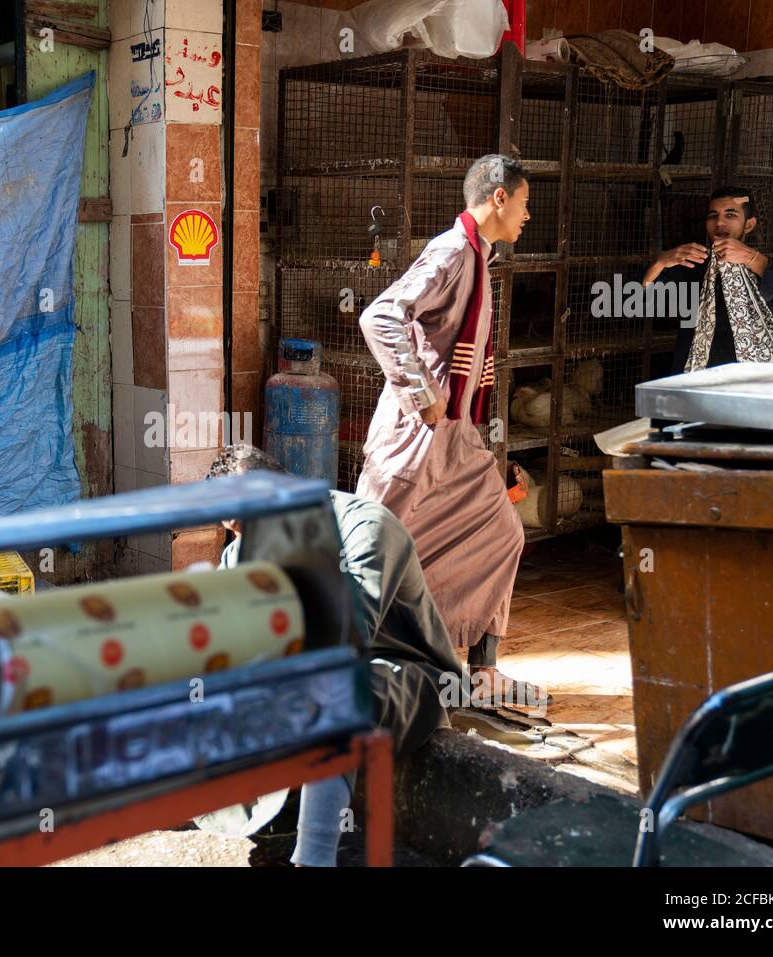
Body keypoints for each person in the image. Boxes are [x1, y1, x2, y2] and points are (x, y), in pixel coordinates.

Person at [208, 443, 475, 867]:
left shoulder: (364, 527)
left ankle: (313, 857)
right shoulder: (241, 553)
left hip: (407, 675)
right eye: (237, 530)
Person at [356, 154, 536, 705]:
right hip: (414, 436)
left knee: (503, 532)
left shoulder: (481, 256)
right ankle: (344, 677)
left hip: (457, 438)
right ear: (499, 198)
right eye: (525, 204)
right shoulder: (453, 250)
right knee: (371, 552)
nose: (528, 217)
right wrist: (420, 391)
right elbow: (381, 315)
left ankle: (481, 674)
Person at [644, 186, 773, 374]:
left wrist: (752, 259)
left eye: (730, 215)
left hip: (749, 384)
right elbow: (638, 301)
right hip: (694, 379)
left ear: (749, 225)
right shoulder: (691, 265)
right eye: (713, 216)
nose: (719, 222)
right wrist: (659, 262)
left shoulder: (764, 269)